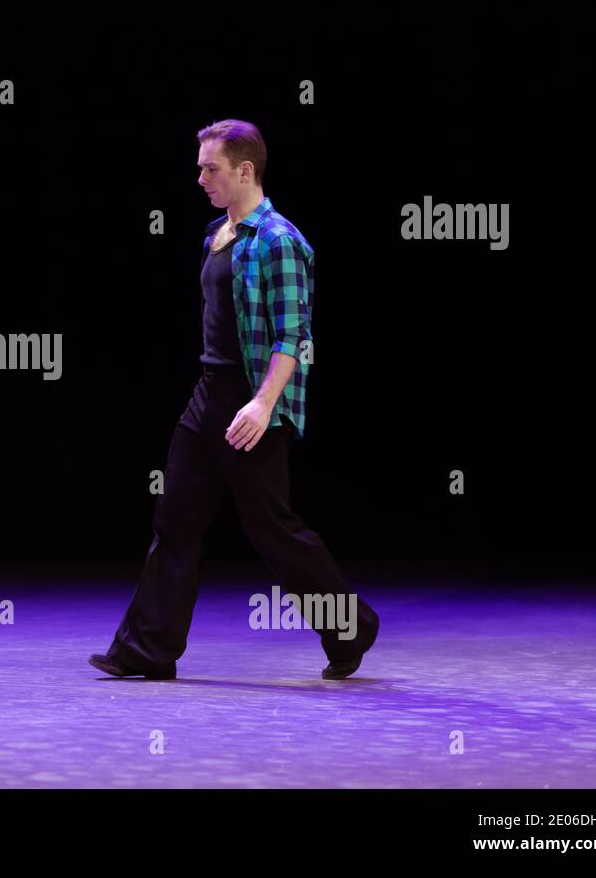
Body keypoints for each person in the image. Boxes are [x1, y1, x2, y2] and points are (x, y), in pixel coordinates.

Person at [89, 119, 379, 681]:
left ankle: (351, 628)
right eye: (200, 166)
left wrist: (264, 404)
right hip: (208, 395)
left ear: (245, 170)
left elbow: (293, 335)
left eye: (210, 168)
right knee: (175, 519)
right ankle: (147, 649)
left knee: (275, 533)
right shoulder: (216, 235)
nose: (200, 177)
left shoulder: (280, 241)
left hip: (252, 403)